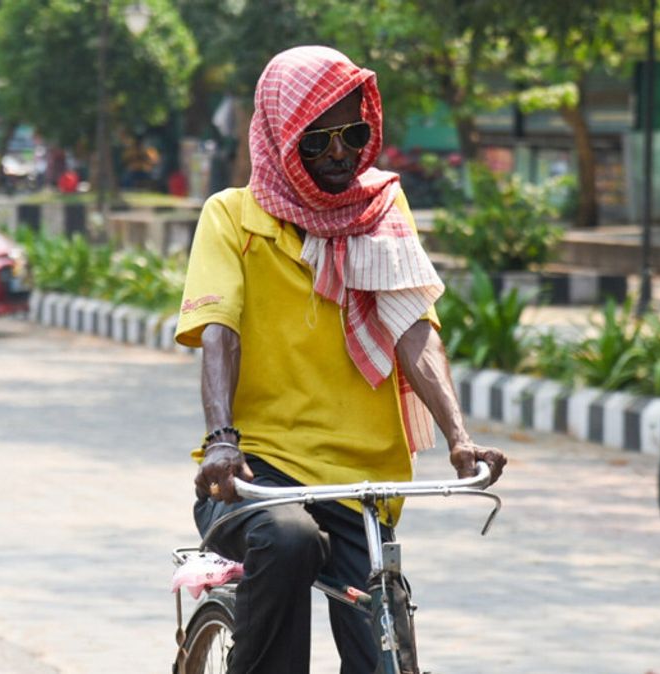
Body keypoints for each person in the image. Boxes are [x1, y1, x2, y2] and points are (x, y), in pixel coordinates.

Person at [174, 45, 507, 674]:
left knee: (387, 656)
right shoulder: (232, 217)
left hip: (362, 485)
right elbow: (219, 329)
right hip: (256, 475)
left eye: (353, 134)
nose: (339, 154)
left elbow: (414, 326)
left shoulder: (380, 211)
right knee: (290, 538)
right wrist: (221, 439)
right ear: (279, 137)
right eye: (317, 140)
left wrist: (460, 438)